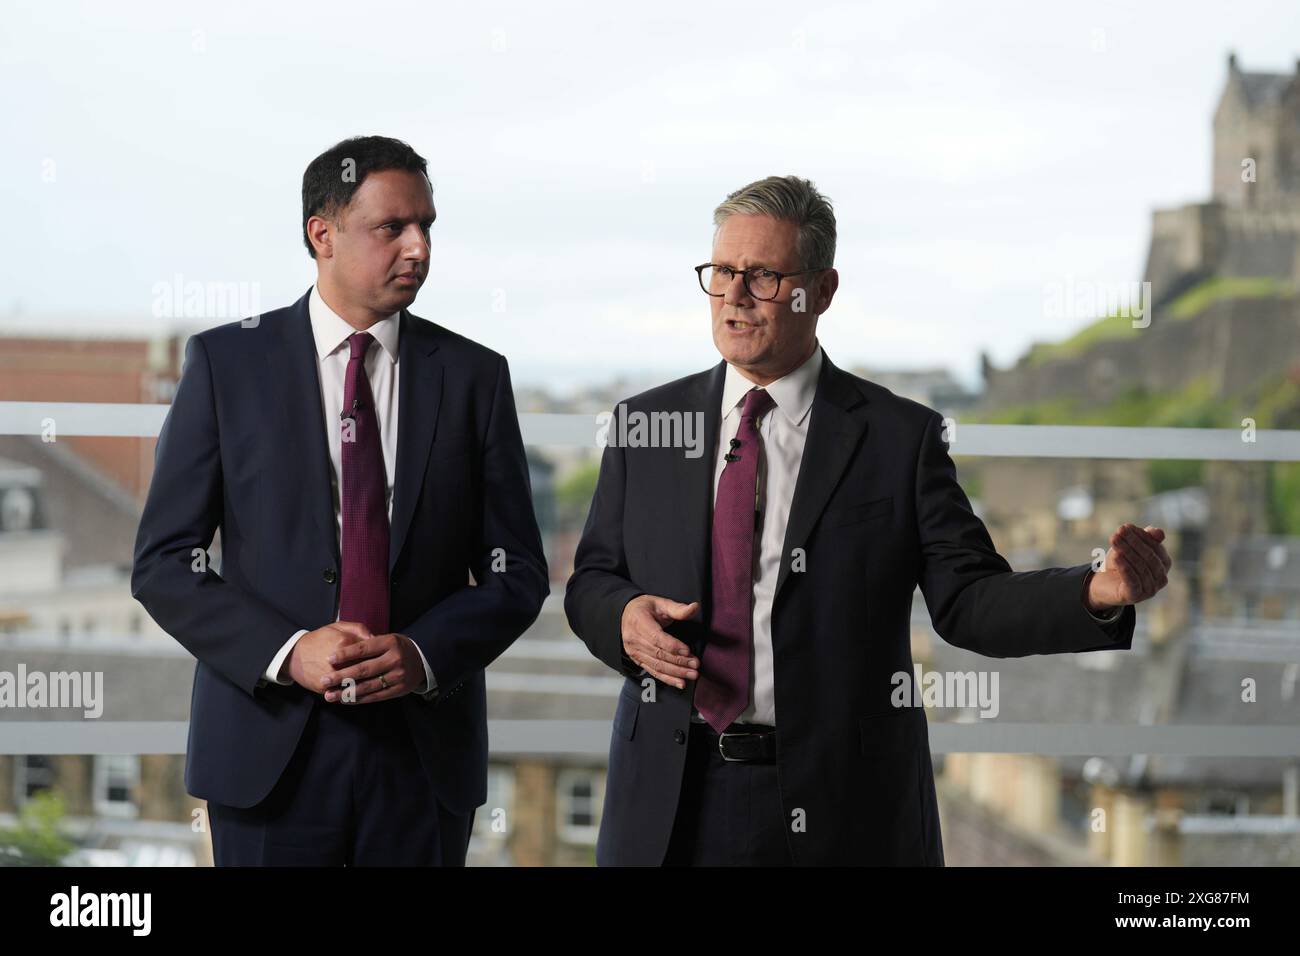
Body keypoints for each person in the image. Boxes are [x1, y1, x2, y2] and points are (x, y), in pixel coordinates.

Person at [565, 175, 1172, 865]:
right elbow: (592, 580)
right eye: (722, 272)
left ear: (821, 291)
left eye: (762, 275)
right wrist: (621, 618)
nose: (733, 294)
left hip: (844, 811)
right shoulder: (644, 424)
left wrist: (1097, 591)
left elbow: (968, 600)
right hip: (670, 803)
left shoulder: (898, 439)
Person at [132, 135, 548, 865]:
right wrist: (288, 652)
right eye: (393, 228)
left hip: (421, 763)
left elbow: (518, 574)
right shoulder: (226, 365)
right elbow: (165, 563)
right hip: (267, 755)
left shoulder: (476, 376)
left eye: (427, 226)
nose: (419, 248)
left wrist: (422, 654)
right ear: (321, 234)